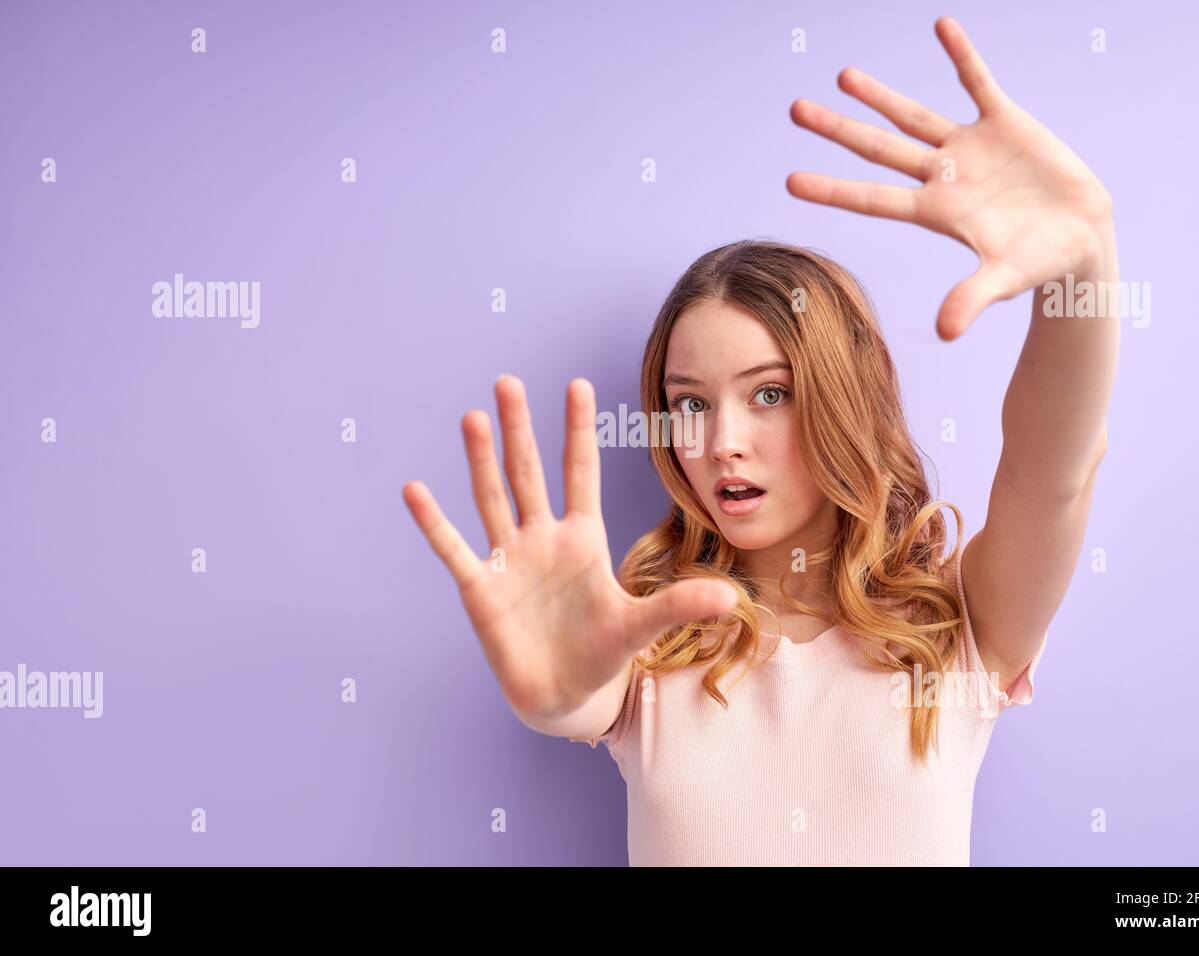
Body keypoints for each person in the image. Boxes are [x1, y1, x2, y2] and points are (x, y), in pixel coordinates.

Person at [402, 17, 1118, 866]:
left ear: (842, 398)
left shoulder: (957, 626)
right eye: (688, 404)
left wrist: (1085, 263)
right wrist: (555, 695)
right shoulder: (647, 643)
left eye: (769, 394)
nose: (719, 443)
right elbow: (575, 695)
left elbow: (1054, 473)